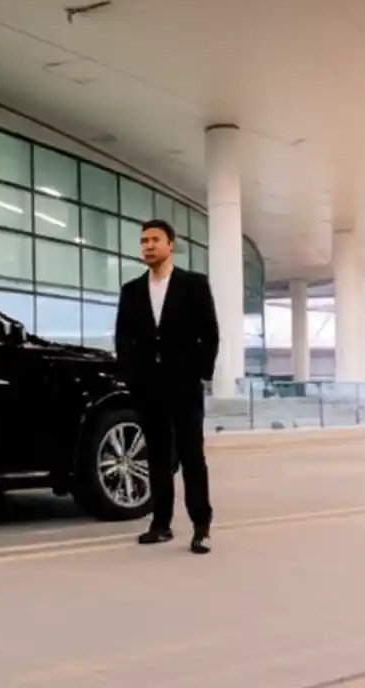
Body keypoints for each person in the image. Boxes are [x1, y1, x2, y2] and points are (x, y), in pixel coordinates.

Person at [114, 219, 220, 554]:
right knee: (158, 457)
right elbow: (123, 338)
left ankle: (201, 527)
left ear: (170, 244)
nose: (148, 245)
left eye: (154, 239)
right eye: (143, 240)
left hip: (185, 385)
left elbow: (210, 333)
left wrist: (200, 372)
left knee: (191, 456)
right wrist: (132, 377)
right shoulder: (131, 291)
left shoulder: (193, 284)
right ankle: (161, 524)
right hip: (149, 388)